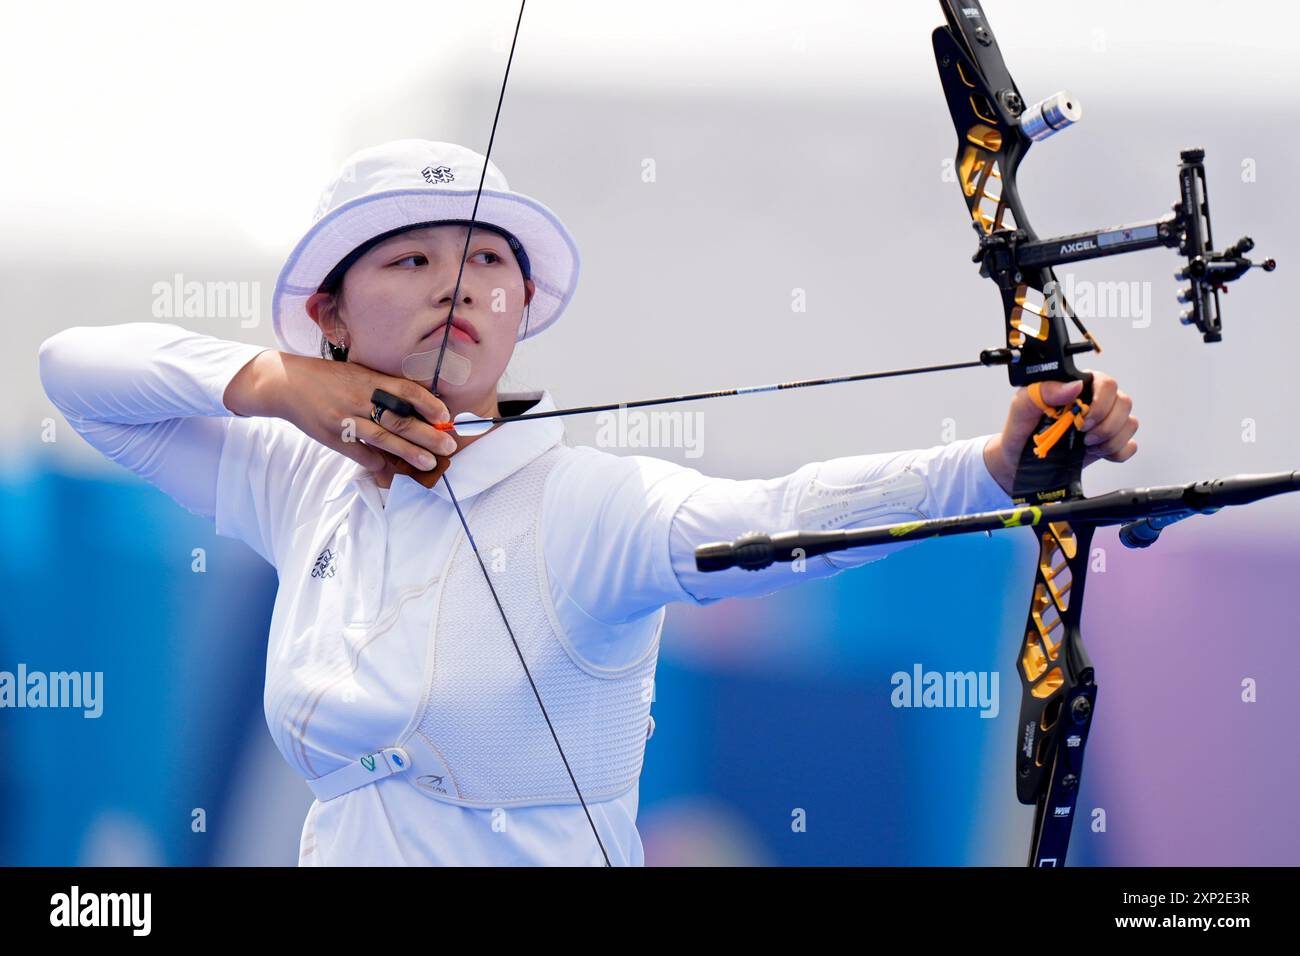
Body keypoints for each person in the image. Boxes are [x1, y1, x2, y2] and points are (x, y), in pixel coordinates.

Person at [37, 139, 1139, 866]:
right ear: (329, 311)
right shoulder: (297, 476)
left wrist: (991, 465)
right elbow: (76, 372)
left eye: (486, 264)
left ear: (521, 310)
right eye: (411, 258)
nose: (456, 284)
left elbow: (785, 515)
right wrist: (279, 385)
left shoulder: (590, 503)